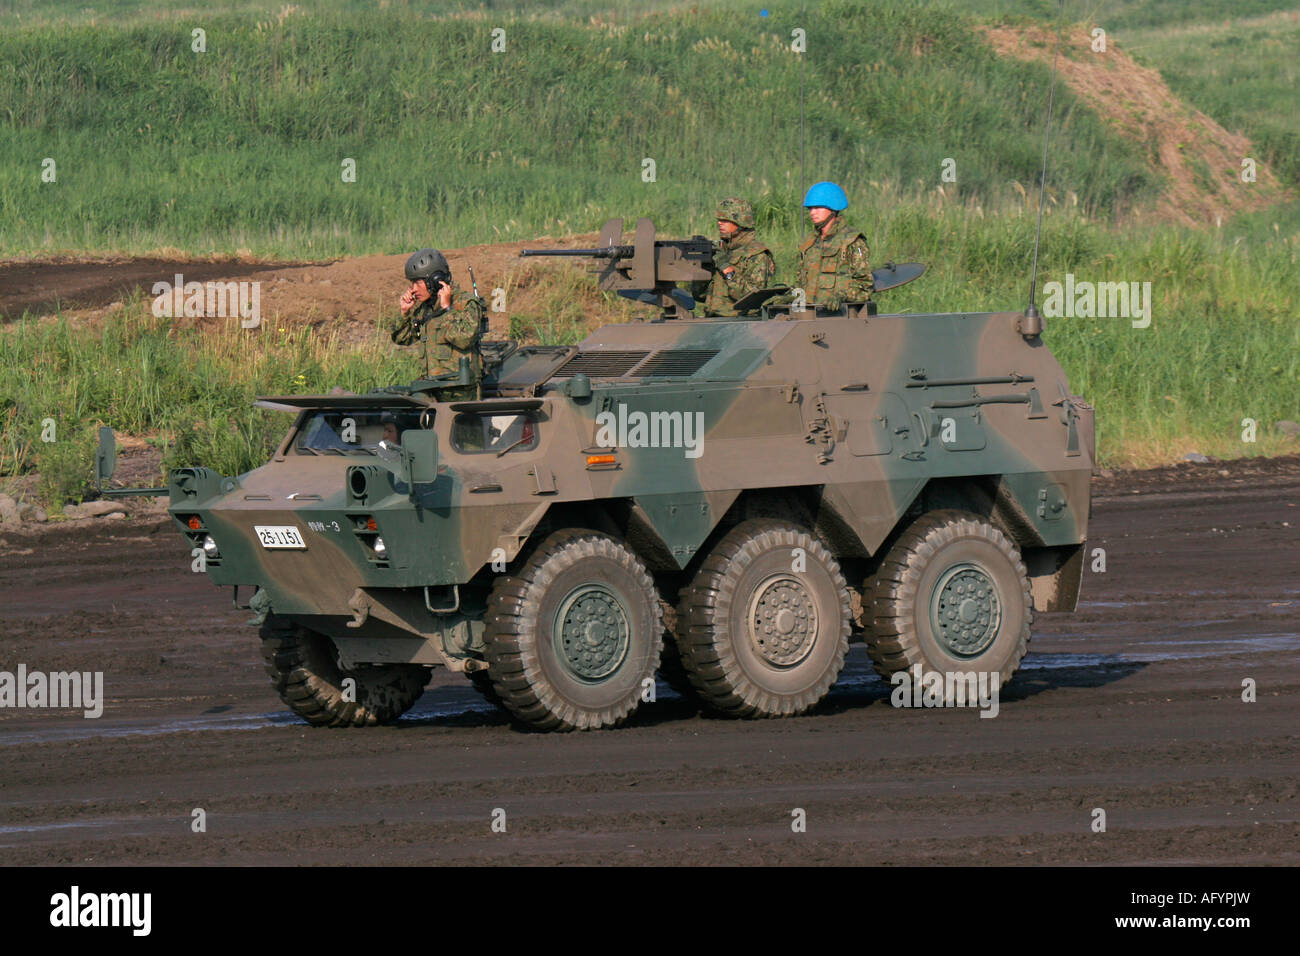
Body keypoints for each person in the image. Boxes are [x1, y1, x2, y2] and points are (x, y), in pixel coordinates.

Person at [390, 247, 486, 401]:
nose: (413, 289)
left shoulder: (465, 303)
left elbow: (464, 338)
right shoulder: (426, 308)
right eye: (411, 283)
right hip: (431, 389)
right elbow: (402, 339)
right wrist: (404, 313)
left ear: (435, 280)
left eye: (417, 282)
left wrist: (447, 309)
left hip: (460, 394)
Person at [794, 182, 873, 311]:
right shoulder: (809, 244)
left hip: (839, 317)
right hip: (808, 317)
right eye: (810, 208)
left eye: (818, 207)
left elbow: (865, 285)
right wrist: (790, 297)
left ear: (833, 208)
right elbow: (800, 282)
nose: (812, 213)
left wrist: (841, 297)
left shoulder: (852, 241)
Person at [700, 197, 776, 316]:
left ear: (741, 222)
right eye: (719, 219)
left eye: (725, 220)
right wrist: (701, 270)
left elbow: (752, 298)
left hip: (742, 323)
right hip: (713, 320)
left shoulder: (757, 254)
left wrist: (727, 269)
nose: (720, 223)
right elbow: (701, 296)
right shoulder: (722, 251)